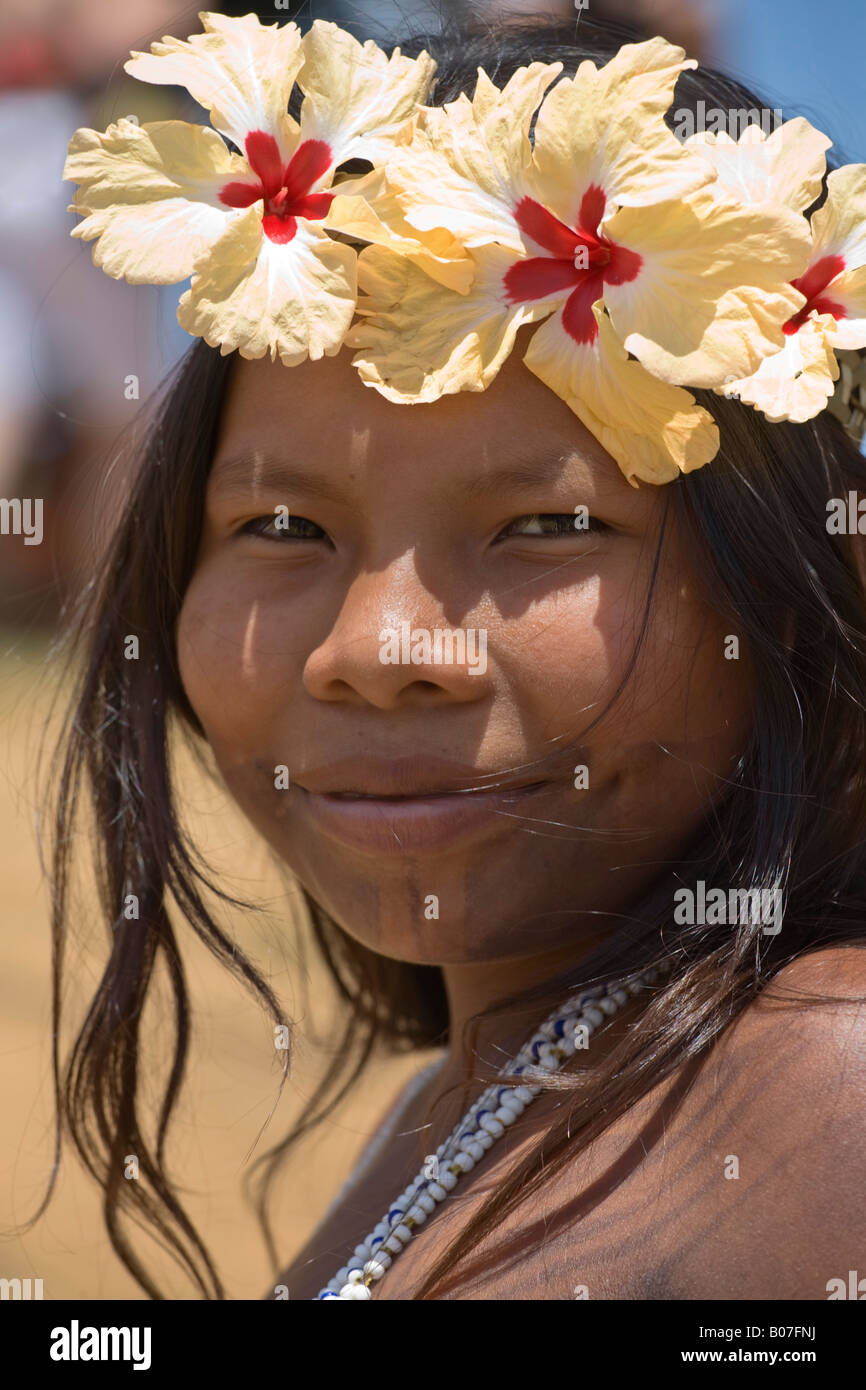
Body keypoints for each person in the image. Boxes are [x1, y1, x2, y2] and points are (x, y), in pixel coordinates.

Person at [46, 11, 866, 1300]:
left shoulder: (826, 1106)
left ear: (808, 588)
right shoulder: (503, 1085)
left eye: (550, 524)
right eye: (280, 525)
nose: (377, 650)